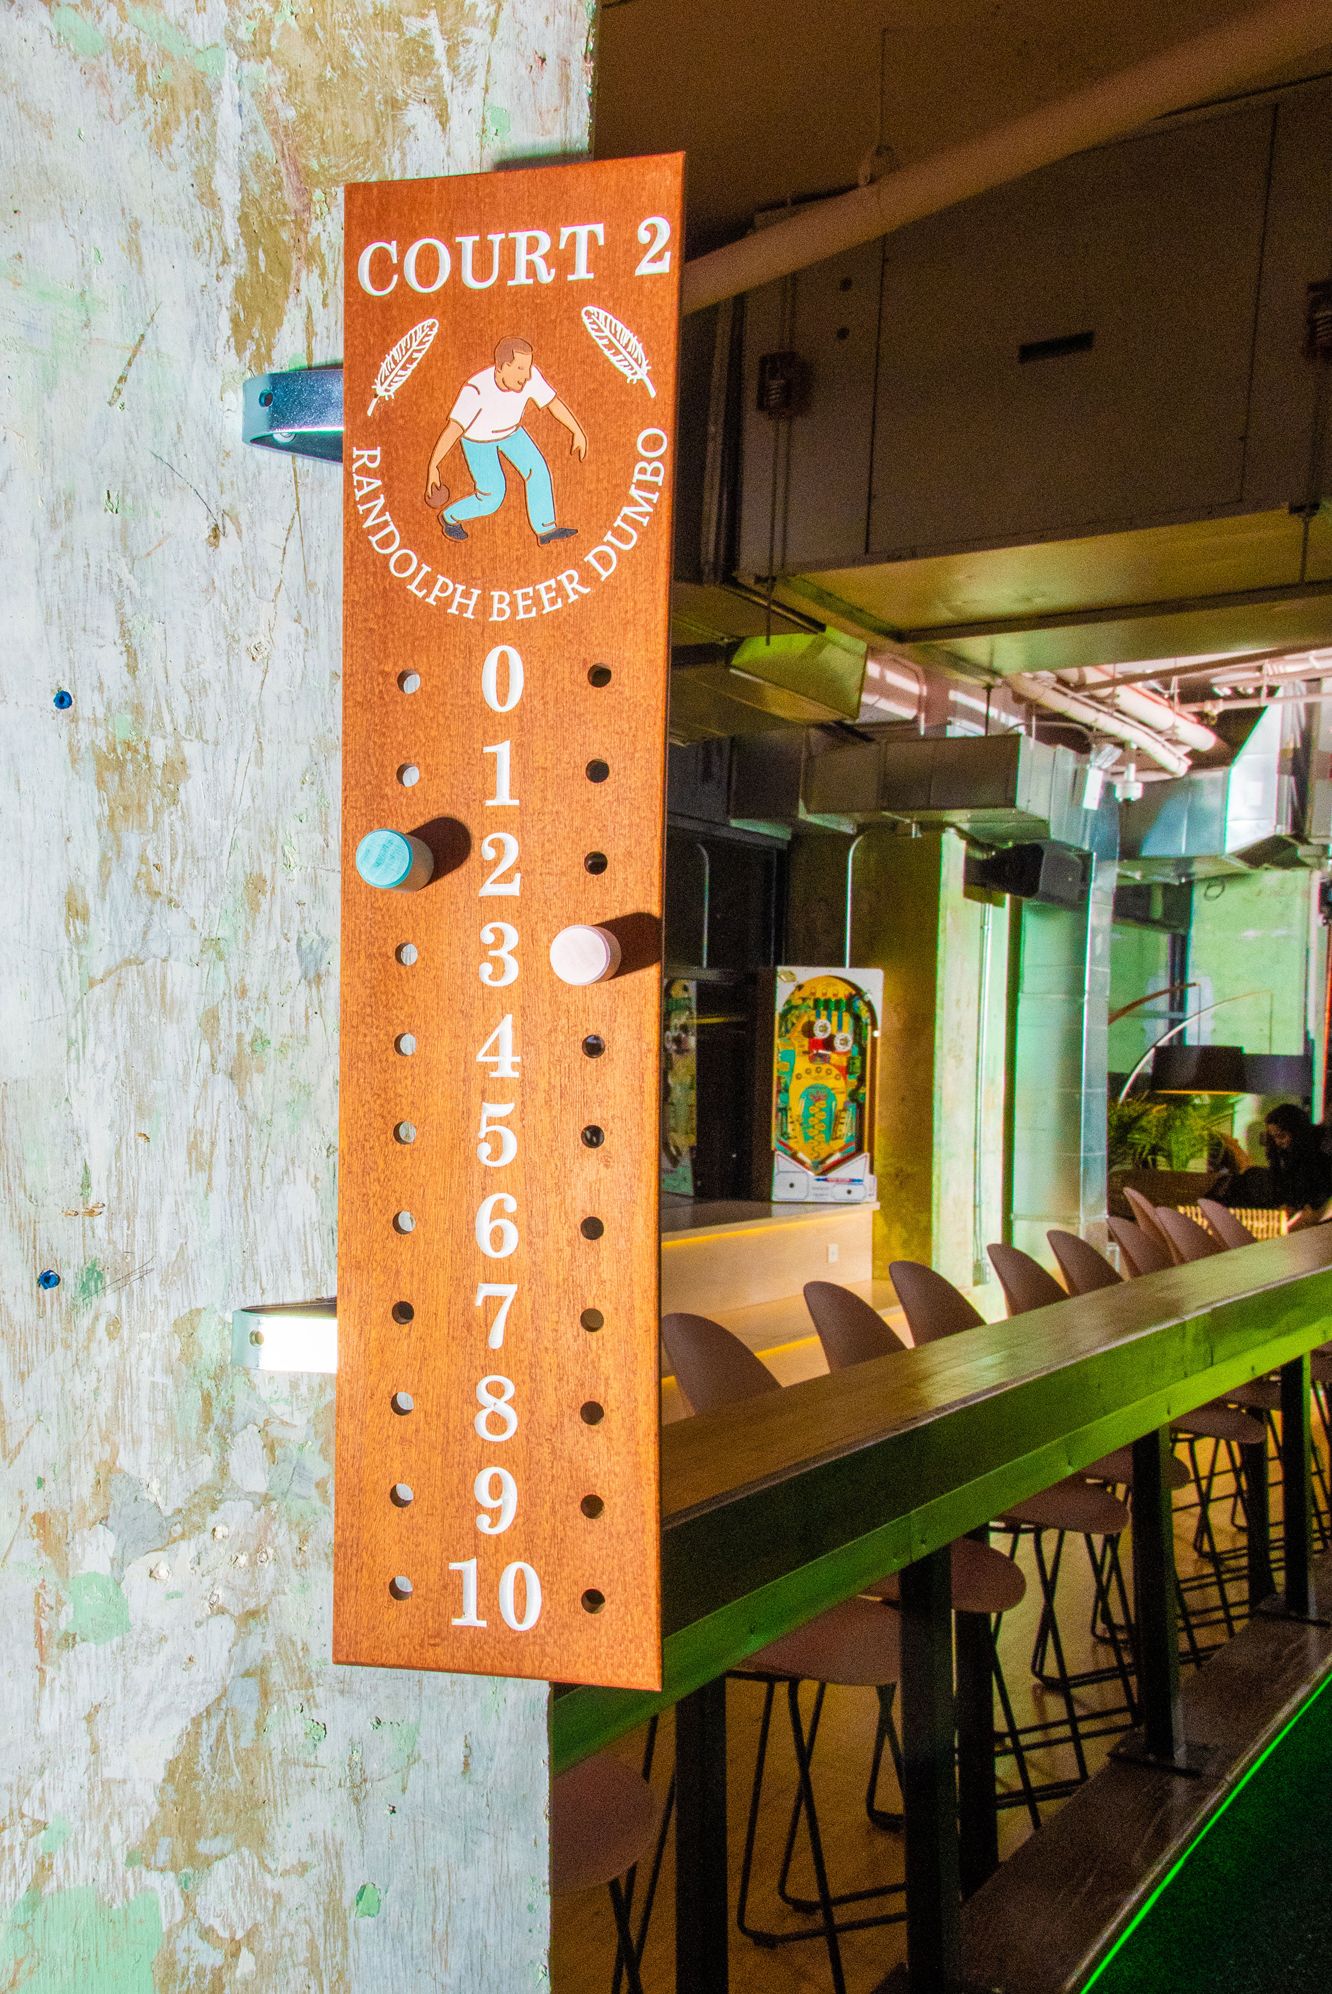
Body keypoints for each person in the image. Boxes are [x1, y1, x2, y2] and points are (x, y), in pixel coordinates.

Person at [423, 335, 586, 545]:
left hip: (512, 433)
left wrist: (577, 431)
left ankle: (546, 530)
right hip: (478, 441)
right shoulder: (475, 390)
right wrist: (433, 466)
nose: (526, 375)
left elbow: (553, 403)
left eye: (527, 368)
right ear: (502, 367)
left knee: (537, 469)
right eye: (520, 368)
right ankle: (450, 517)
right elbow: (453, 429)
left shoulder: (531, 376)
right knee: (492, 497)